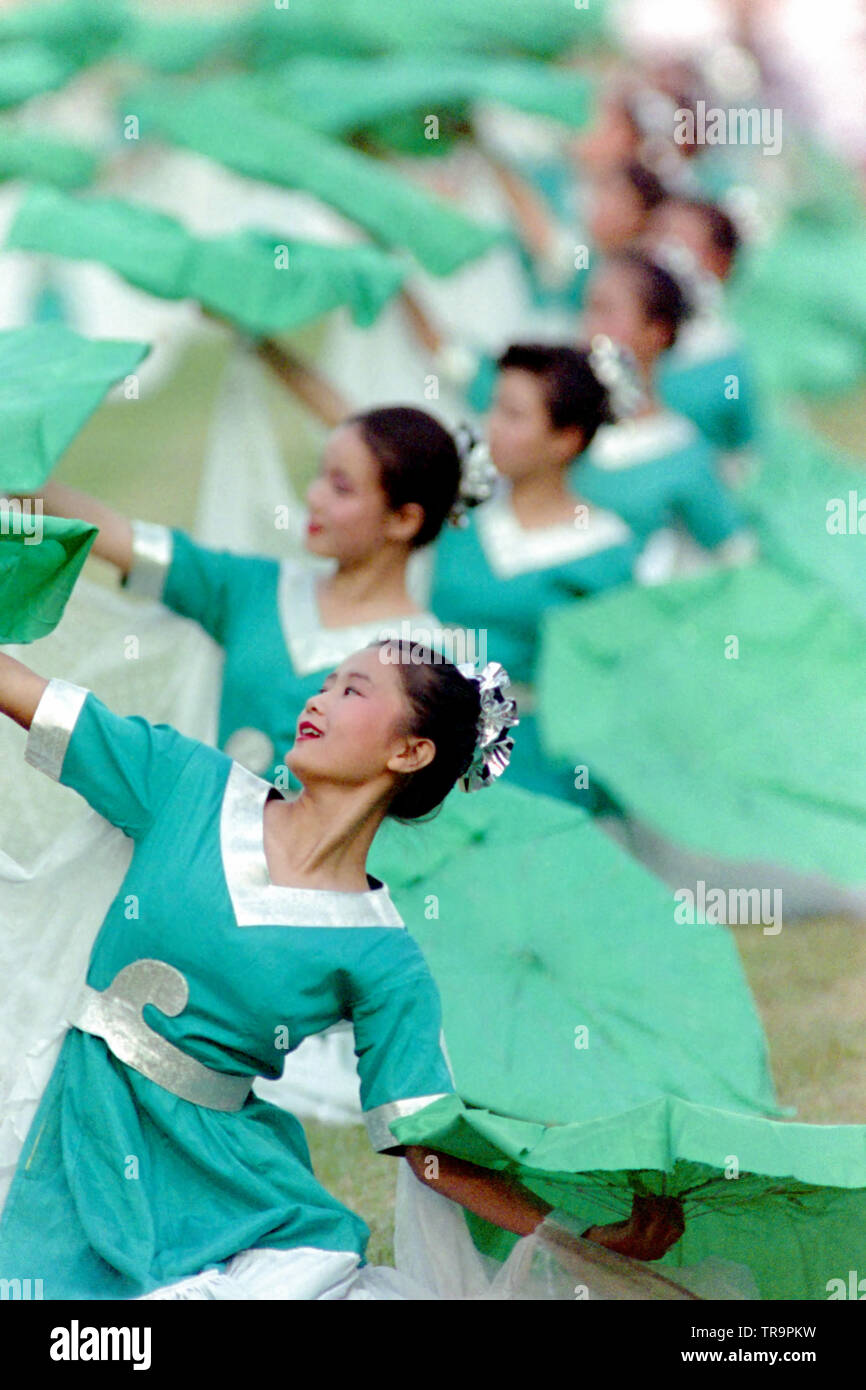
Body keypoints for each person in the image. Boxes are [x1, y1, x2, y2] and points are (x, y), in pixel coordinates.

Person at [0, 638, 684, 1299]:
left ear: (410, 750)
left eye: (351, 689)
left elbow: (429, 1147)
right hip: (62, 1132)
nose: (318, 699)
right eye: (325, 682)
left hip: (234, 1196)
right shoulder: (185, 782)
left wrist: (583, 1234)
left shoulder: (384, 956)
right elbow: (30, 693)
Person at [29, 405, 472, 788]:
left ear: (403, 520)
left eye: (341, 487)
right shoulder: (257, 587)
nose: (313, 496)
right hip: (212, 847)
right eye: (320, 476)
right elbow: (122, 540)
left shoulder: (429, 662)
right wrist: (19, 476)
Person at [428, 342, 639, 801]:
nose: (491, 427)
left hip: (531, 766)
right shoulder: (461, 510)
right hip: (424, 744)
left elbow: (616, 683)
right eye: (493, 408)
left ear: (566, 439)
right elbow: (369, 446)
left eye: (513, 415)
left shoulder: (603, 549)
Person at [573, 248, 757, 580]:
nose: (589, 327)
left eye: (606, 311)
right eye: (587, 309)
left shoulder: (681, 452)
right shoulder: (558, 425)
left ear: (656, 331)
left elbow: (736, 559)